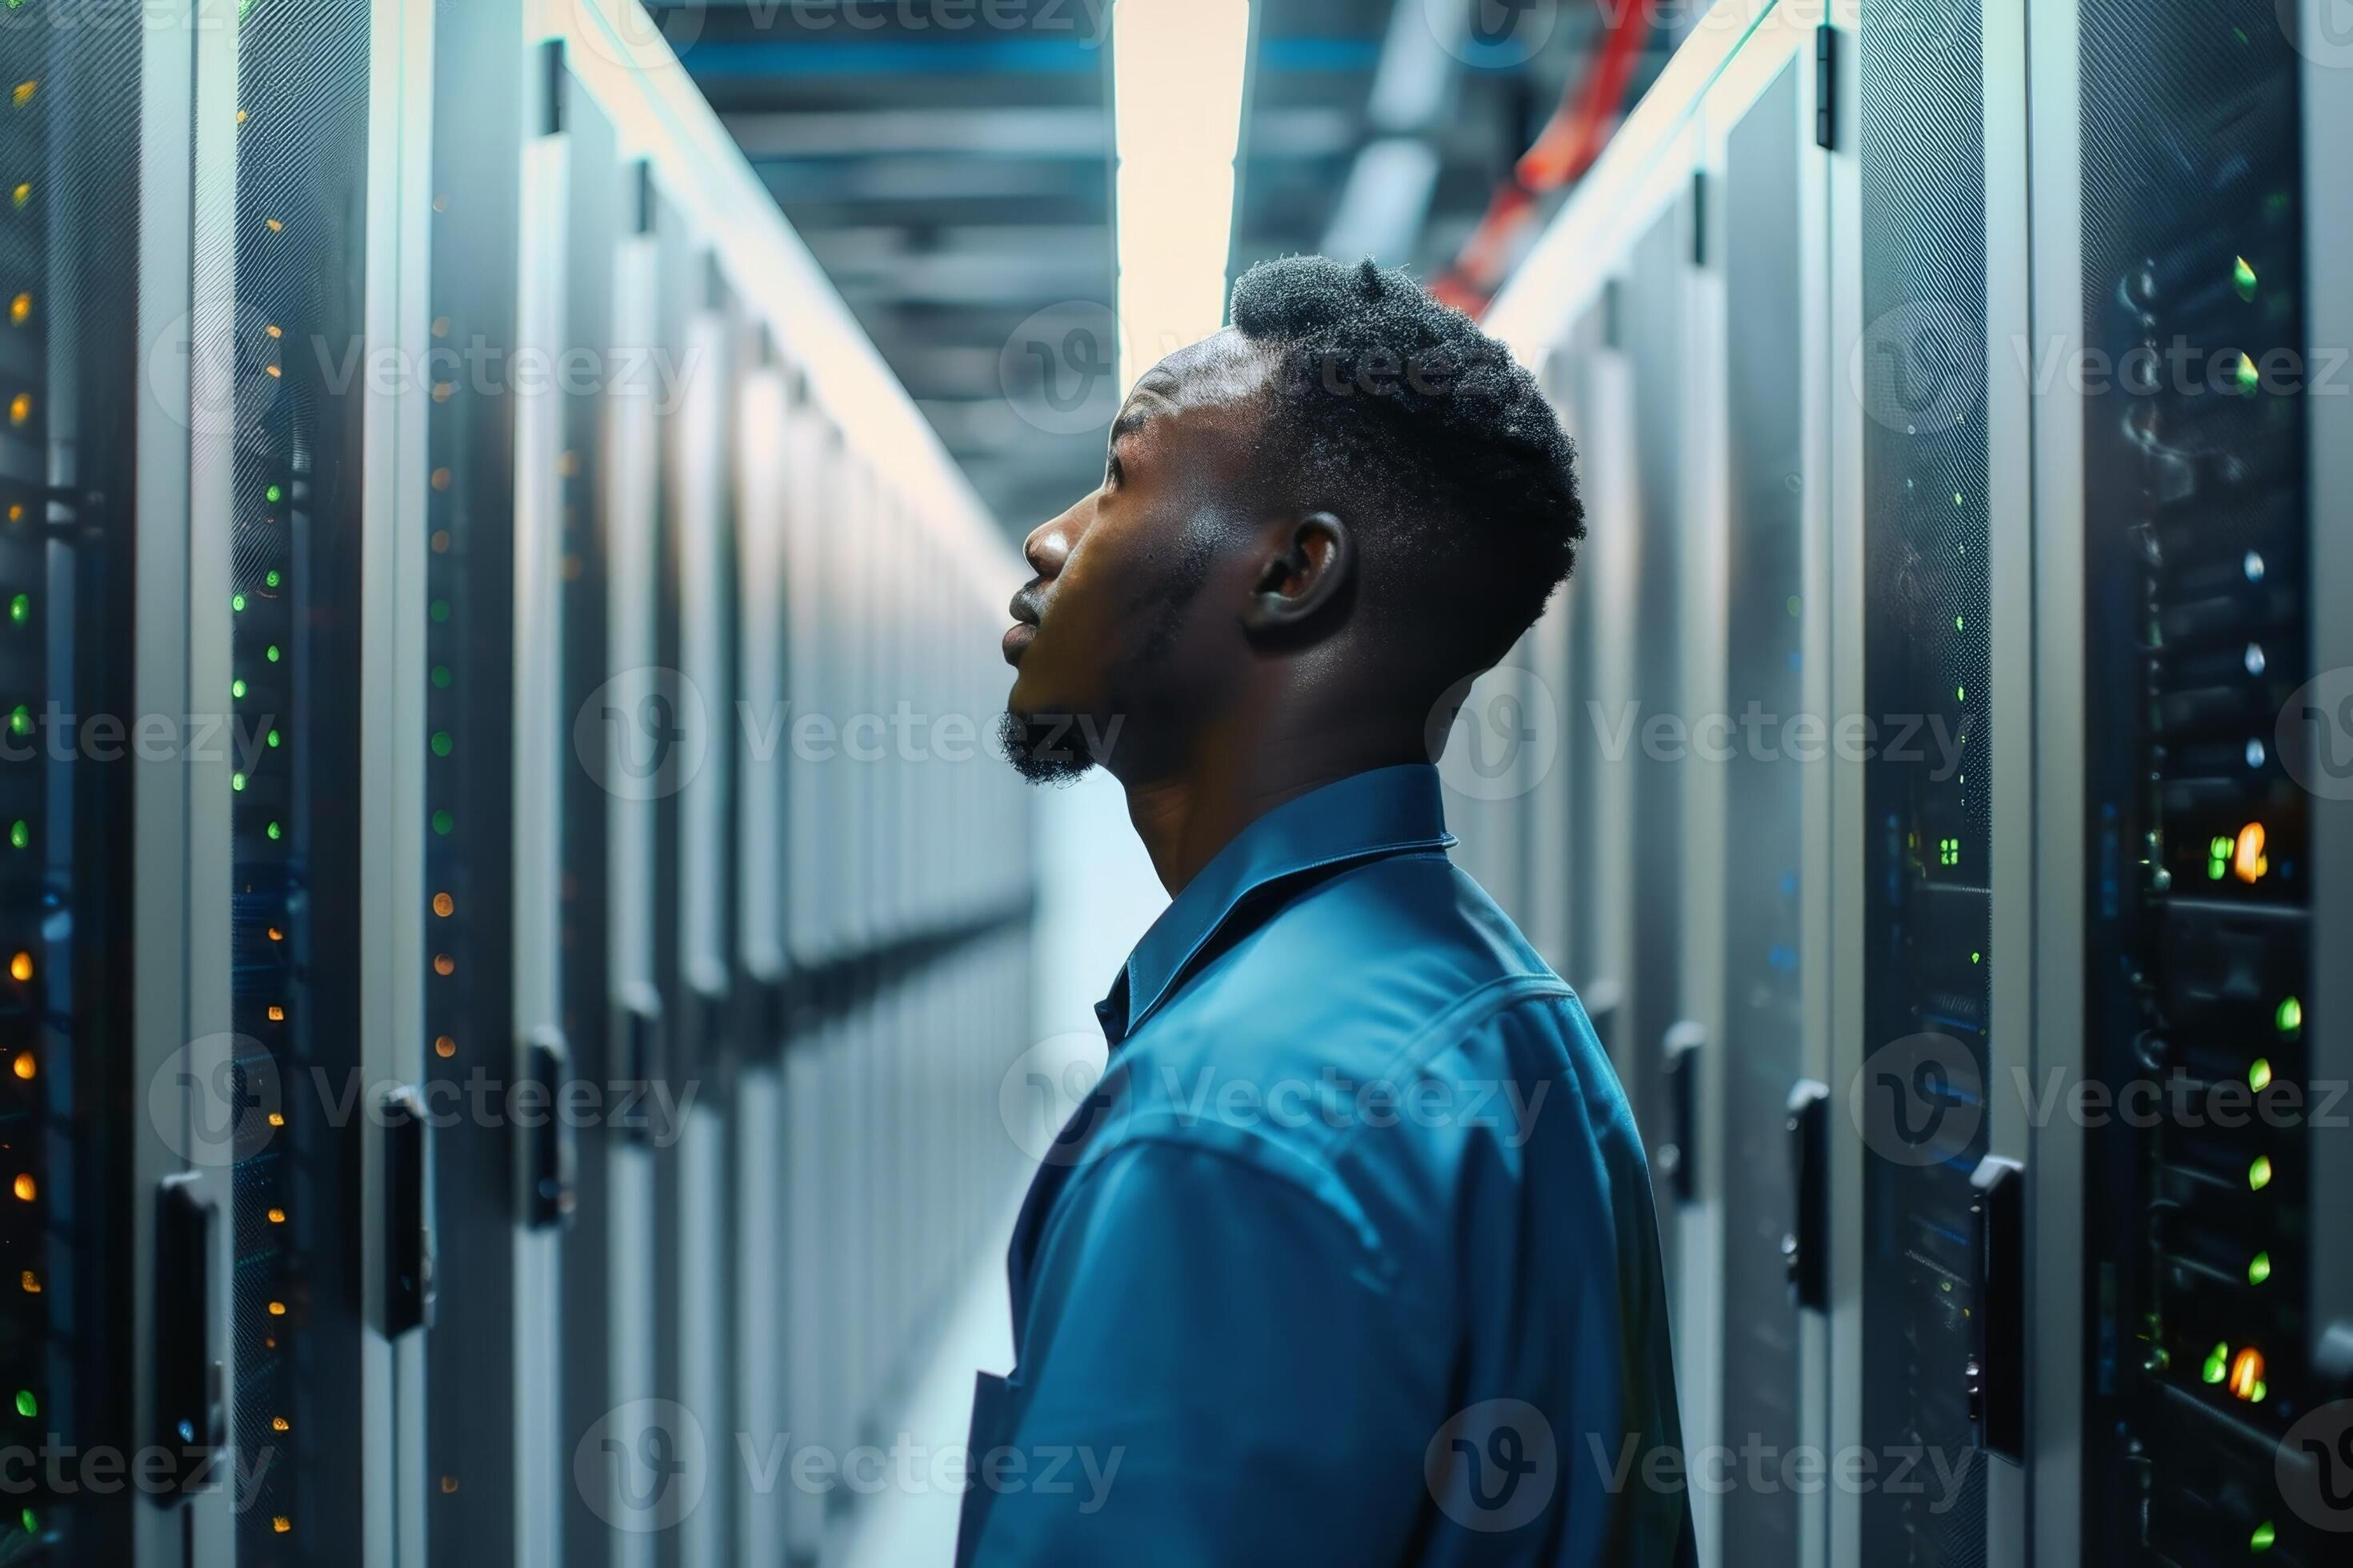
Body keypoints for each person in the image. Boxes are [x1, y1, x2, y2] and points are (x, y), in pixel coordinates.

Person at [963, 255, 1692, 1566]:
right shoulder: (1503, 1012)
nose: (1049, 538)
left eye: (1120, 478)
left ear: (1292, 573)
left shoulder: (1223, 1132)